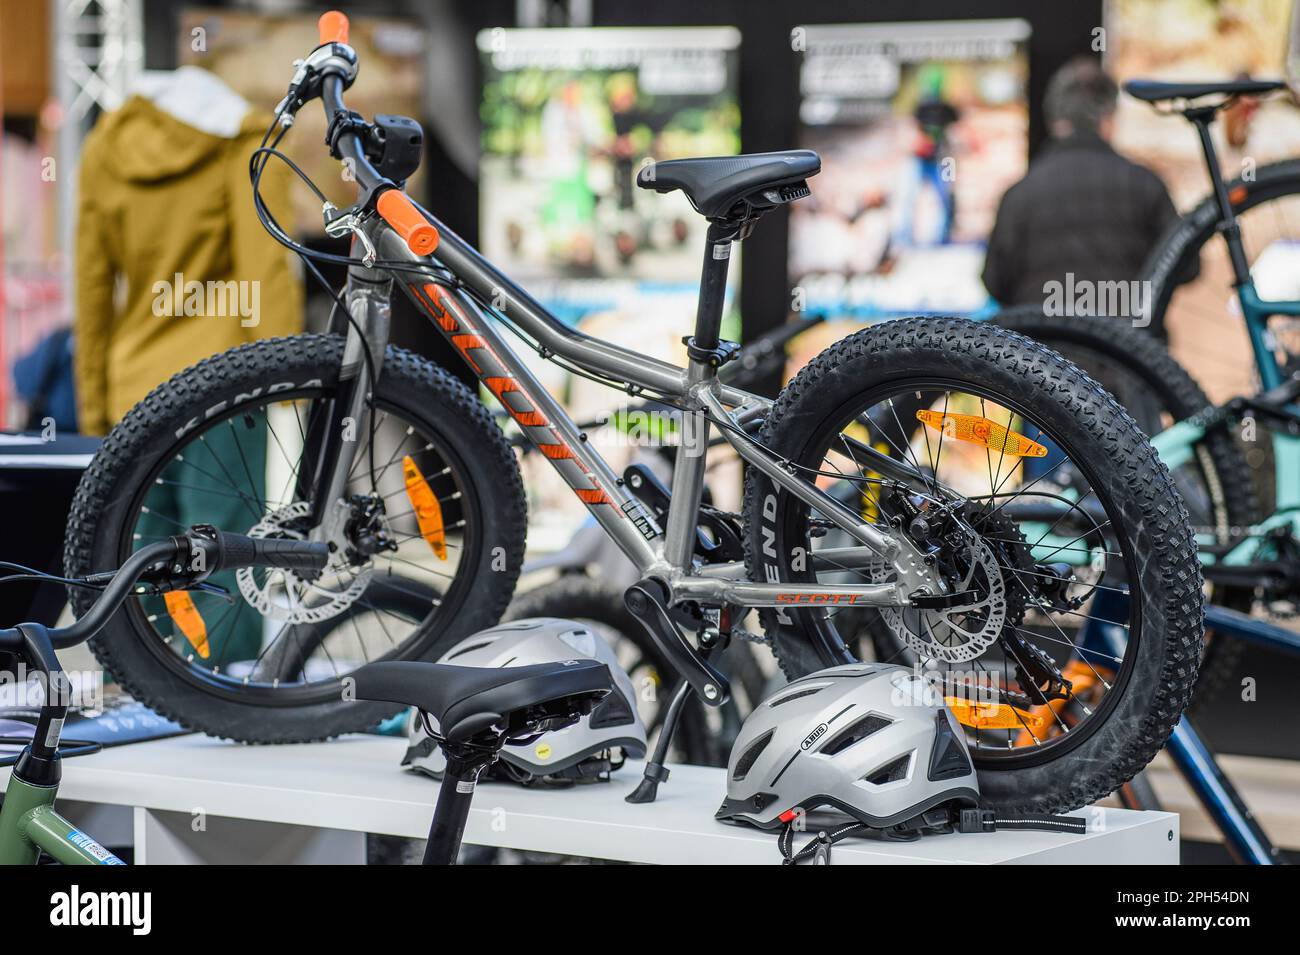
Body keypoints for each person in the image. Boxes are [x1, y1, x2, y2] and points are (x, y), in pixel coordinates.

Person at [981, 58, 1192, 335]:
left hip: (1044, 362)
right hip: (1132, 358)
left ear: (1054, 121)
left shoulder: (1019, 194)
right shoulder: (1145, 184)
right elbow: (1186, 267)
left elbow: (995, 283)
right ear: (1108, 119)